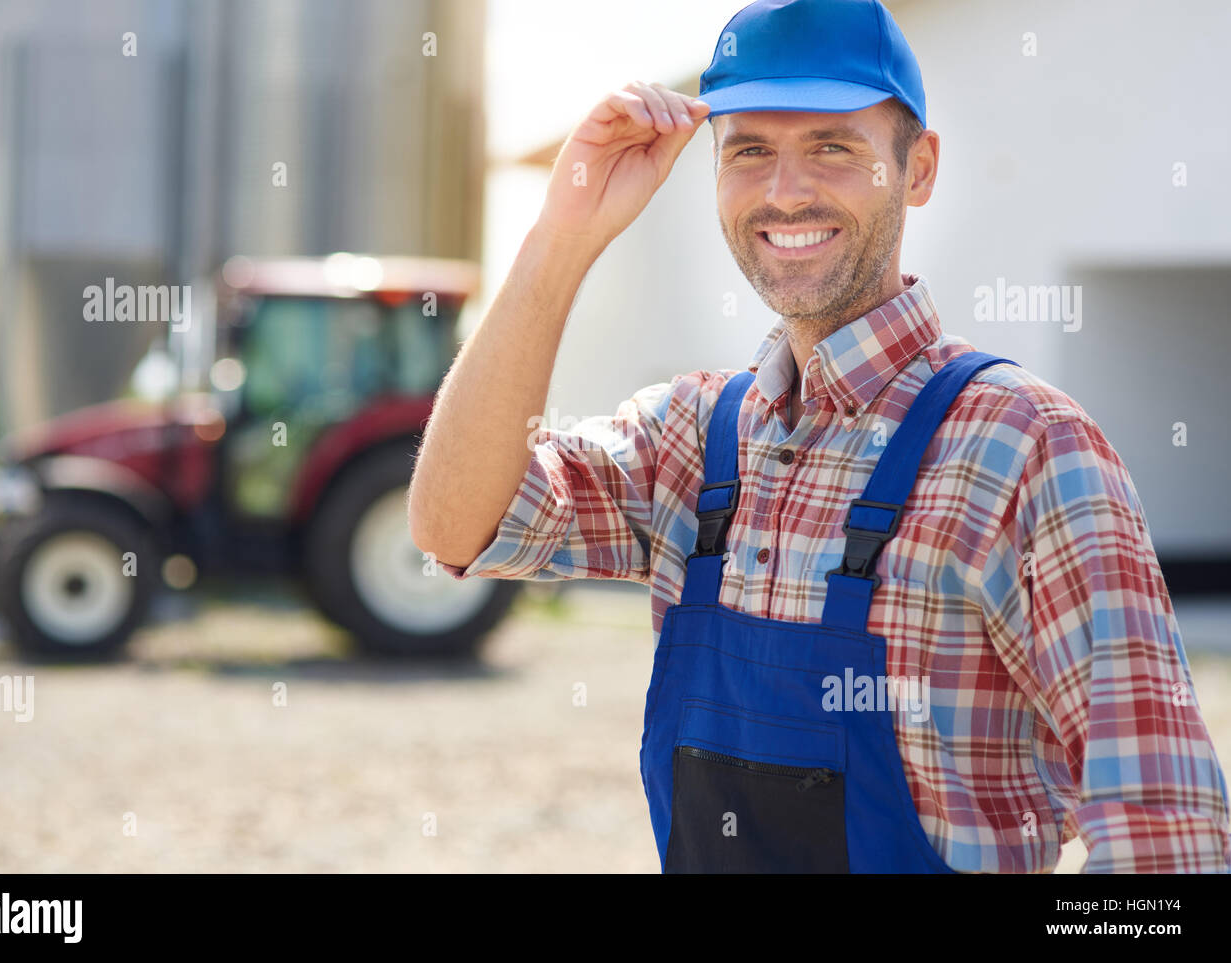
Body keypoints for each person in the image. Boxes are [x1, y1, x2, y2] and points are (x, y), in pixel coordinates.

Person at [407, 0, 1231, 873]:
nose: (785, 190)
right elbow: (459, 525)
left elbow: (1169, 849)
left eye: (833, 146)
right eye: (750, 151)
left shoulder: (1026, 450)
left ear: (918, 167)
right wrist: (559, 240)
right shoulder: (689, 440)